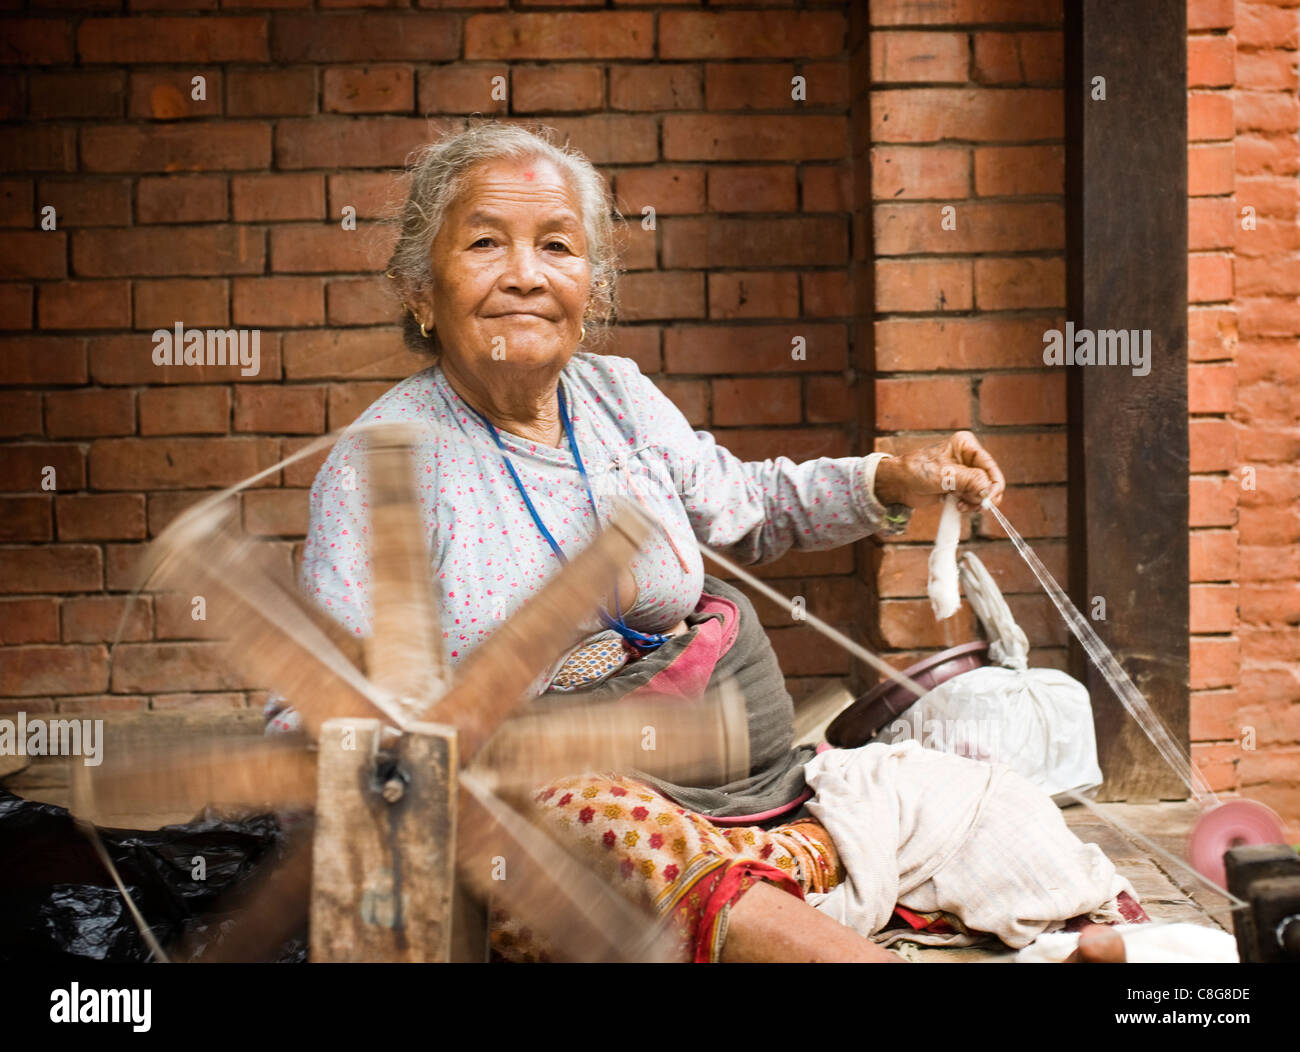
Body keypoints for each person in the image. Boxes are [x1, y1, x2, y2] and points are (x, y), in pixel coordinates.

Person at [270, 120, 1137, 963]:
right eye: (486, 244)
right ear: (422, 290)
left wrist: (892, 479)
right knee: (596, 833)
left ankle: (1057, 944)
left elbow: (747, 506)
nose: (526, 276)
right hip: (545, 815)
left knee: (967, 794)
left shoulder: (619, 399)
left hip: (739, 783)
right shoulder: (384, 465)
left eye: (559, 247)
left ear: (595, 292)